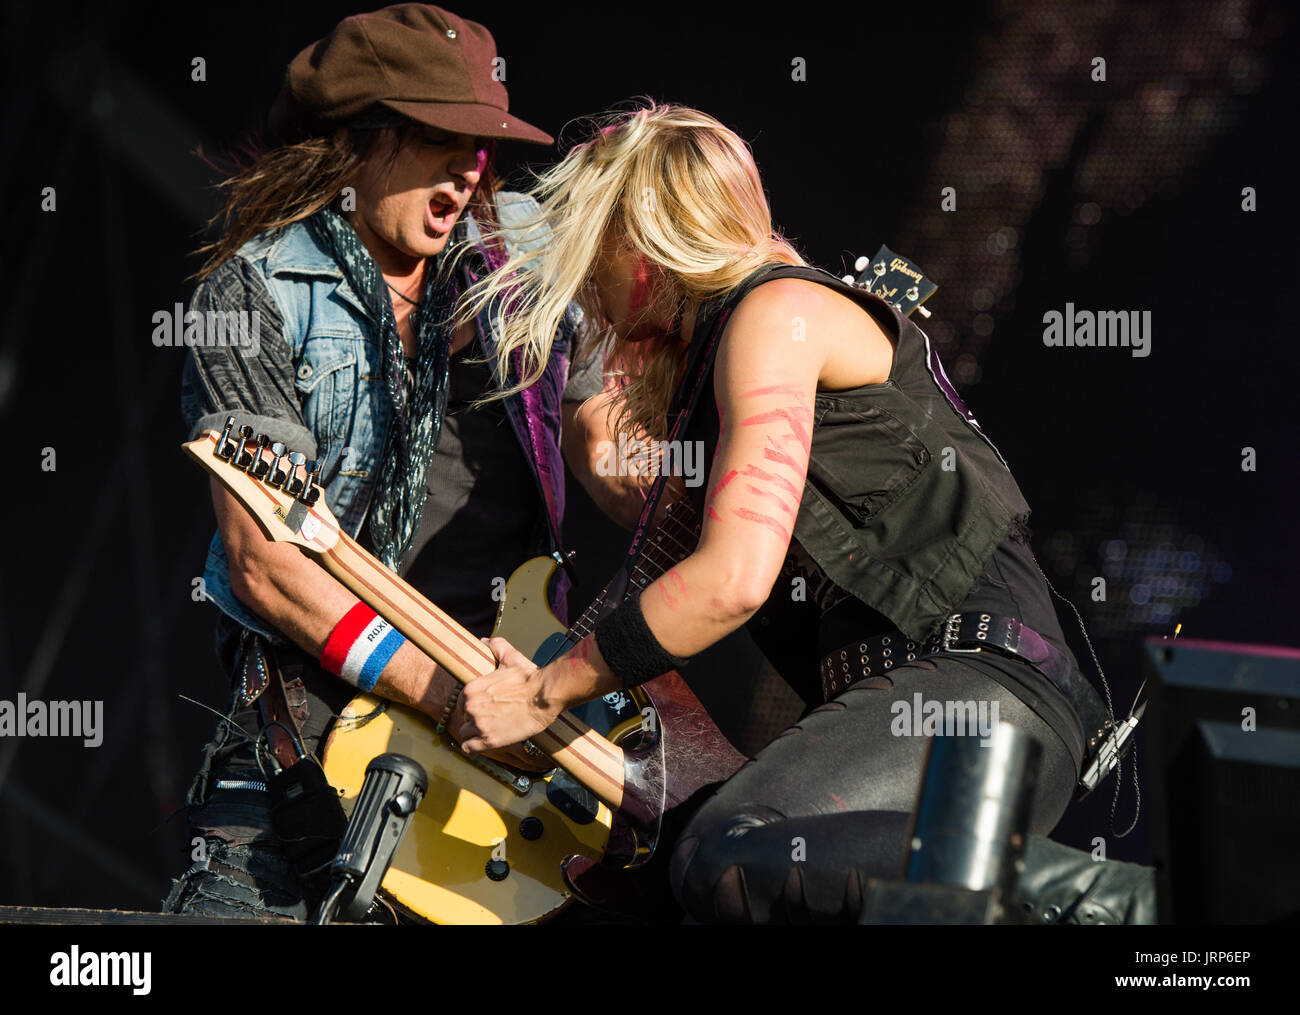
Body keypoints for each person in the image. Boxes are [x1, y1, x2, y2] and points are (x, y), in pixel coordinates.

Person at [451, 102, 1154, 924]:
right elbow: (646, 503)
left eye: (592, 254)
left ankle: (1133, 908)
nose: (588, 293)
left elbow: (731, 578)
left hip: (980, 688)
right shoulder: (735, 358)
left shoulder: (772, 316)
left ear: (638, 249)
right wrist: (579, 402)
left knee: (730, 851)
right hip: (968, 713)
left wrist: (543, 692)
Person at [164, 4, 598, 921]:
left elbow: (614, 443)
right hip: (305, 755)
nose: (470, 167)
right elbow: (269, 566)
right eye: (442, 137)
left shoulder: (525, 264)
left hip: (503, 767)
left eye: (483, 145)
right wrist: (451, 696)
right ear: (357, 142)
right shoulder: (252, 293)